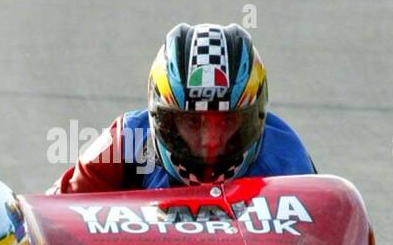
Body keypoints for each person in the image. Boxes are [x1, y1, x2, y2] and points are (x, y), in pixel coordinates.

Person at [50, 22, 313, 193]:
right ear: (161, 117)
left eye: (226, 122)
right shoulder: (125, 142)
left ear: (254, 117)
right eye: (192, 122)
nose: (210, 142)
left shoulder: (288, 162)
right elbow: (47, 227)